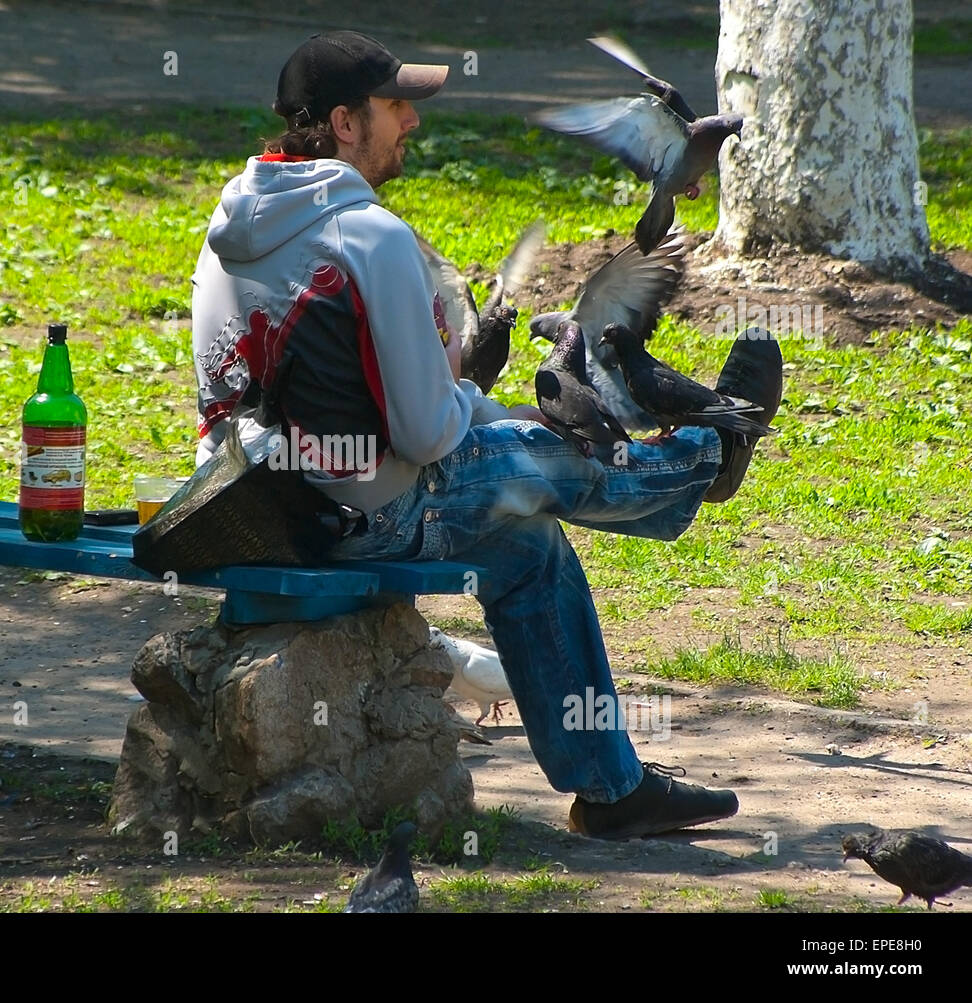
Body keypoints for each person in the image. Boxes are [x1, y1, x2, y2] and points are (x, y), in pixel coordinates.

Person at [190, 30, 782, 840]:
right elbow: (428, 434)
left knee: (528, 546)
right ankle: (710, 451)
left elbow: (227, 399)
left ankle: (614, 789)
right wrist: (470, 398)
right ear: (344, 123)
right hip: (363, 518)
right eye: (396, 106)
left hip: (256, 510)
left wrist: (470, 406)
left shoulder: (225, 234)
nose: (413, 123)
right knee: (541, 455)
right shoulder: (370, 238)